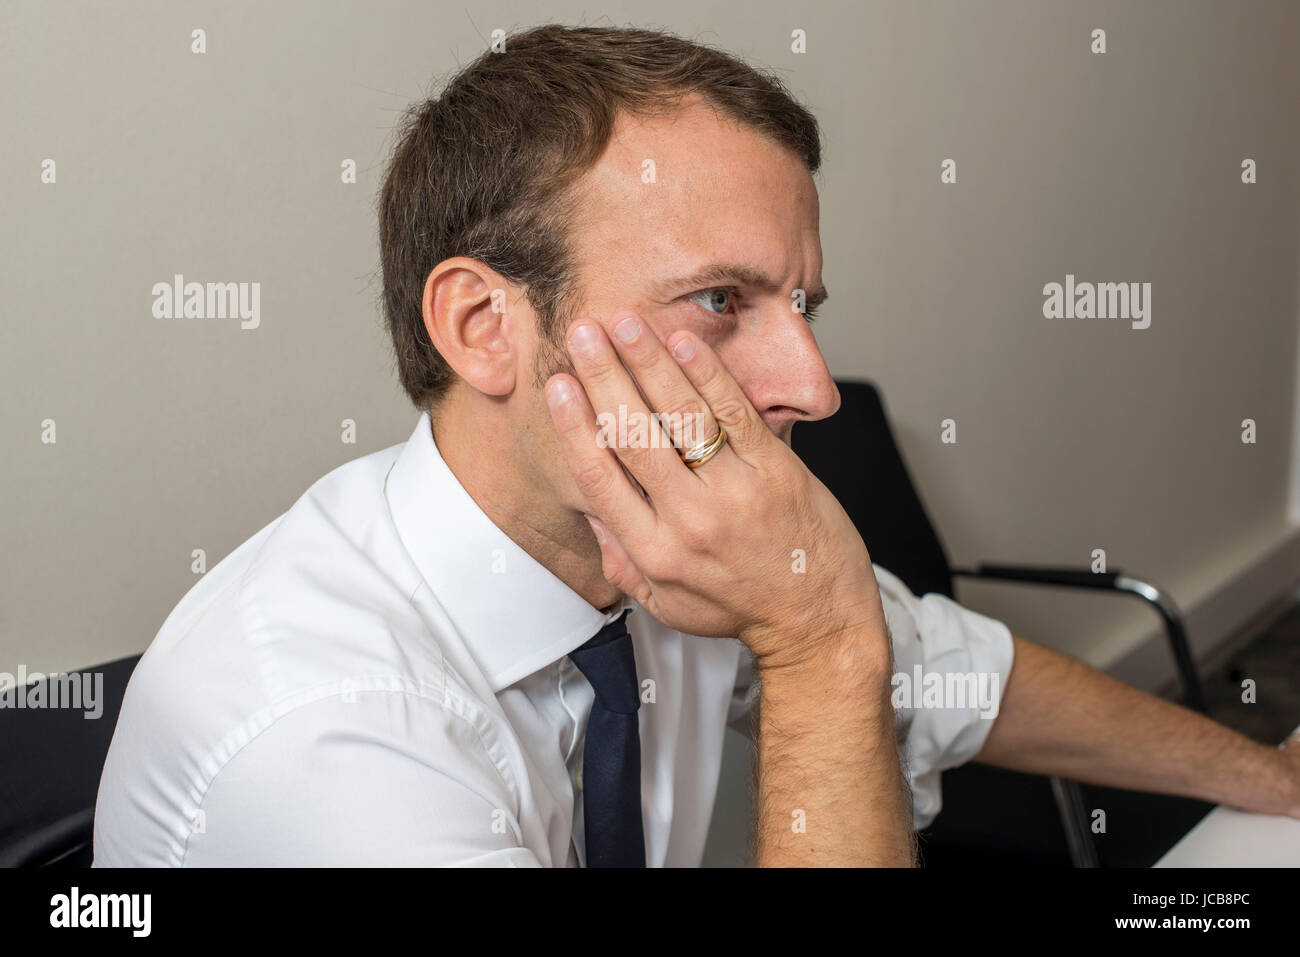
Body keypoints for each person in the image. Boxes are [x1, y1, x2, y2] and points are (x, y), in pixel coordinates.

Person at [93, 24, 1300, 867]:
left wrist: (1269, 780)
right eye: (721, 301)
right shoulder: (321, 738)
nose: (813, 387)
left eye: (802, 310)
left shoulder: (651, 524)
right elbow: (855, 654)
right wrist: (819, 647)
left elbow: (948, 676)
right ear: (481, 326)